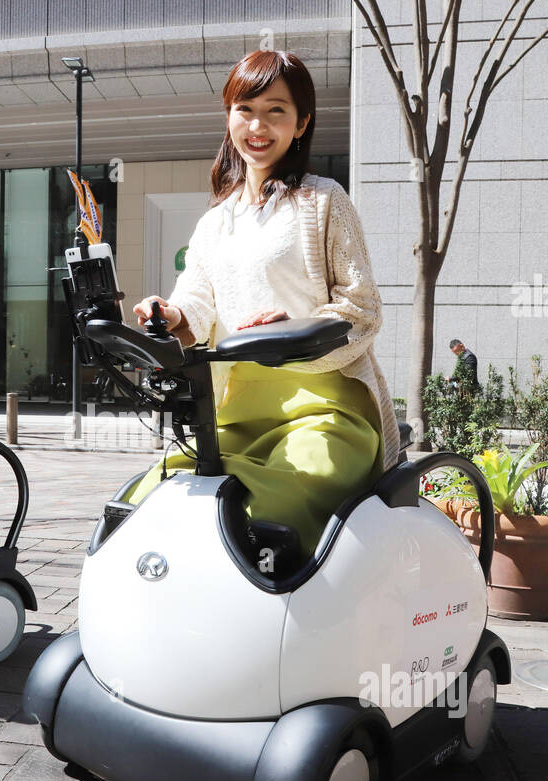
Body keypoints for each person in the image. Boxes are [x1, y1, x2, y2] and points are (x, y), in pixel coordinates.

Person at [125, 50, 399, 556]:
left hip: (324, 408)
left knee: (271, 509)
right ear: (229, 116)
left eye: (276, 110)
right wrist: (173, 314)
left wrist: (296, 329)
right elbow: (197, 302)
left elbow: (363, 309)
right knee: (149, 501)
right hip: (234, 413)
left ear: (302, 123)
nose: (258, 125)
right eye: (245, 109)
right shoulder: (215, 222)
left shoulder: (325, 200)